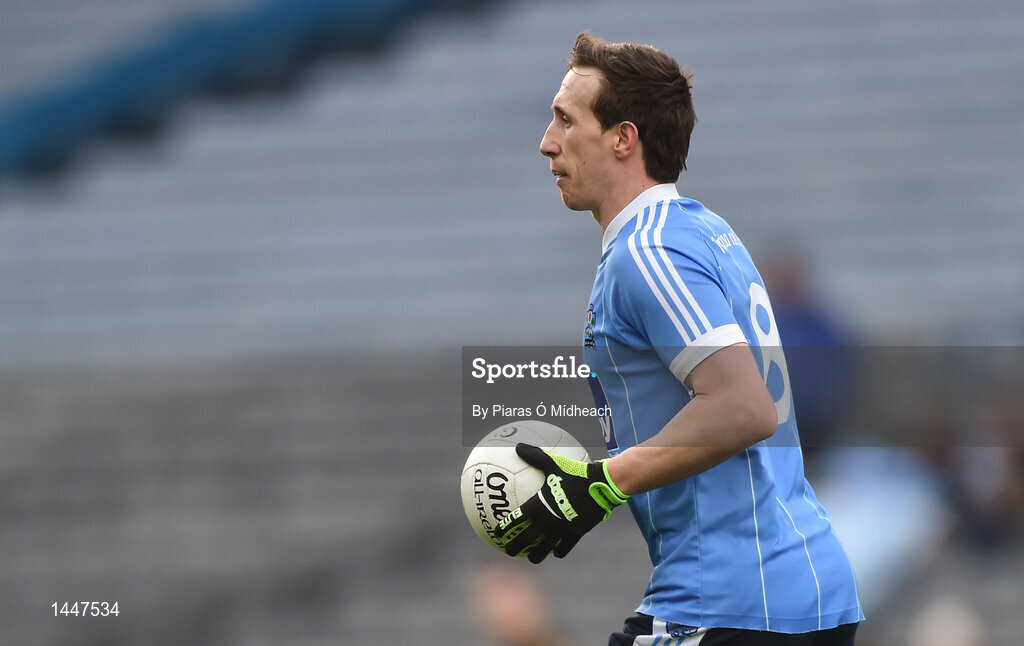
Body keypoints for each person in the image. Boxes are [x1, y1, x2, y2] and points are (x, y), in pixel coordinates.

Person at [496, 32, 864, 645]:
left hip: (731, 599)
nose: (546, 142)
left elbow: (744, 407)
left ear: (622, 138)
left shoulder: (647, 253)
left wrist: (604, 482)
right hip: (798, 591)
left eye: (565, 119)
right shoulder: (699, 229)